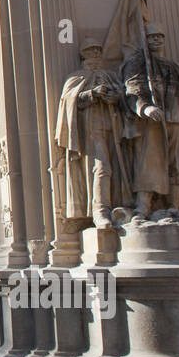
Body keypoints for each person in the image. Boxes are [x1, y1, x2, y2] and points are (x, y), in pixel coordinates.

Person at [120, 24, 179, 217]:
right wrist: (145, 107)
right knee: (149, 161)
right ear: (145, 39)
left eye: (159, 36)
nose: (156, 40)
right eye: (152, 37)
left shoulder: (174, 67)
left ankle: (174, 205)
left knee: (177, 164)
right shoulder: (138, 62)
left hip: (178, 119)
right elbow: (132, 89)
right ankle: (143, 206)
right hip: (153, 119)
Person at [53, 39, 127, 229]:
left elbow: (123, 96)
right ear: (83, 54)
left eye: (98, 50)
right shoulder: (76, 77)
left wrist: (114, 96)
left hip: (114, 128)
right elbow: (69, 101)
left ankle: (120, 207)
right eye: (90, 50)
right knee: (102, 168)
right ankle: (100, 211)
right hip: (90, 129)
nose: (95, 54)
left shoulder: (109, 76)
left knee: (116, 168)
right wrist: (92, 93)